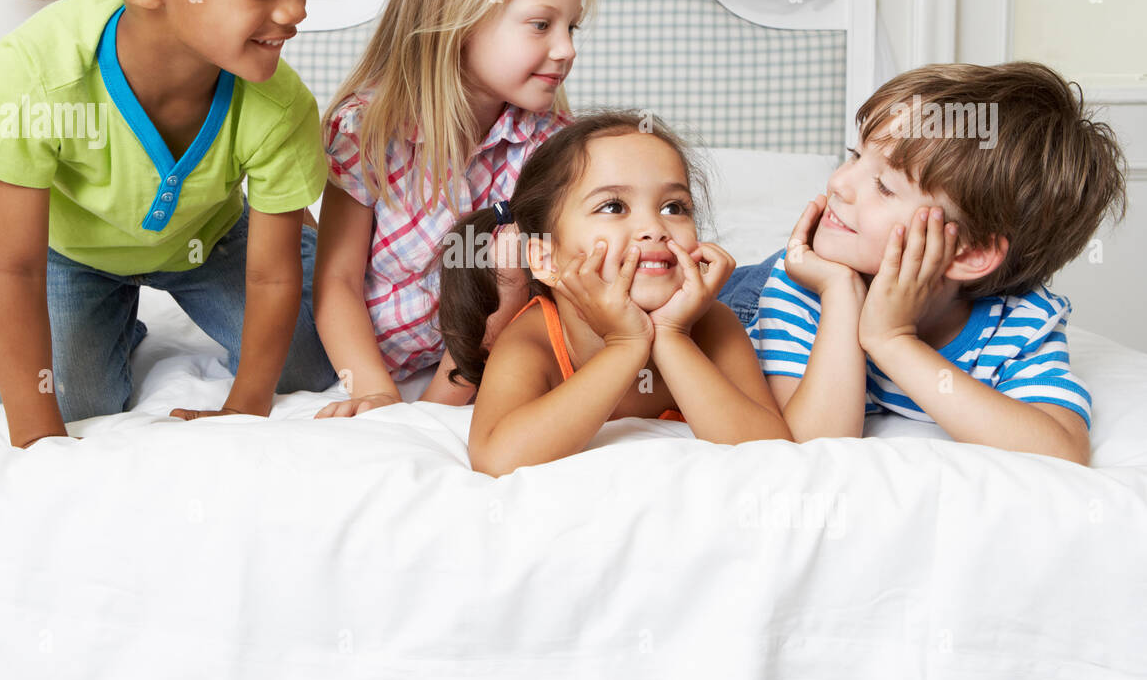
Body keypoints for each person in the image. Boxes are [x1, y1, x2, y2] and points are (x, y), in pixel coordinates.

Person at [0, 0, 334, 447]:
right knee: (72, 401)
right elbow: (12, 267)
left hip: (212, 240)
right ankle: (119, 318)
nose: (297, 9)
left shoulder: (279, 105)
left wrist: (246, 406)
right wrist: (35, 442)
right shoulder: (36, 77)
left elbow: (270, 278)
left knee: (308, 367)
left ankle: (296, 230)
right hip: (75, 256)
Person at [749, 62, 1127, 465]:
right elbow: (810, 443)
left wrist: (892, 340)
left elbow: (1062, 451)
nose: (839, 183)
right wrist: (841, 297)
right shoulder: (808, 280)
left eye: (883, 185)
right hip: (741, 293)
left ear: (971, 253)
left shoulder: (1019, 322)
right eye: (855, 155)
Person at [314, 0, 595, 418]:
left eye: (571, 26)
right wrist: (373, 392)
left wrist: (431, 409)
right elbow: (338, 282)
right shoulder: (366, 130)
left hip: (475, 352)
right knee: (299, 266)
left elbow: (512, 305)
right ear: (460, 18)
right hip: (377, 343)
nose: (567, 49)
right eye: (542, 24)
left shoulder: (550, 144)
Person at [438, 111, 792, 476]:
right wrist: (626, 345)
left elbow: (771, 453)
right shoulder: (533, 340)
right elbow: (497, 459)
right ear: (546, 258)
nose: (654, 228)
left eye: (674, 207)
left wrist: (672, 336)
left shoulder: (713, 324)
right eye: (613, 206)